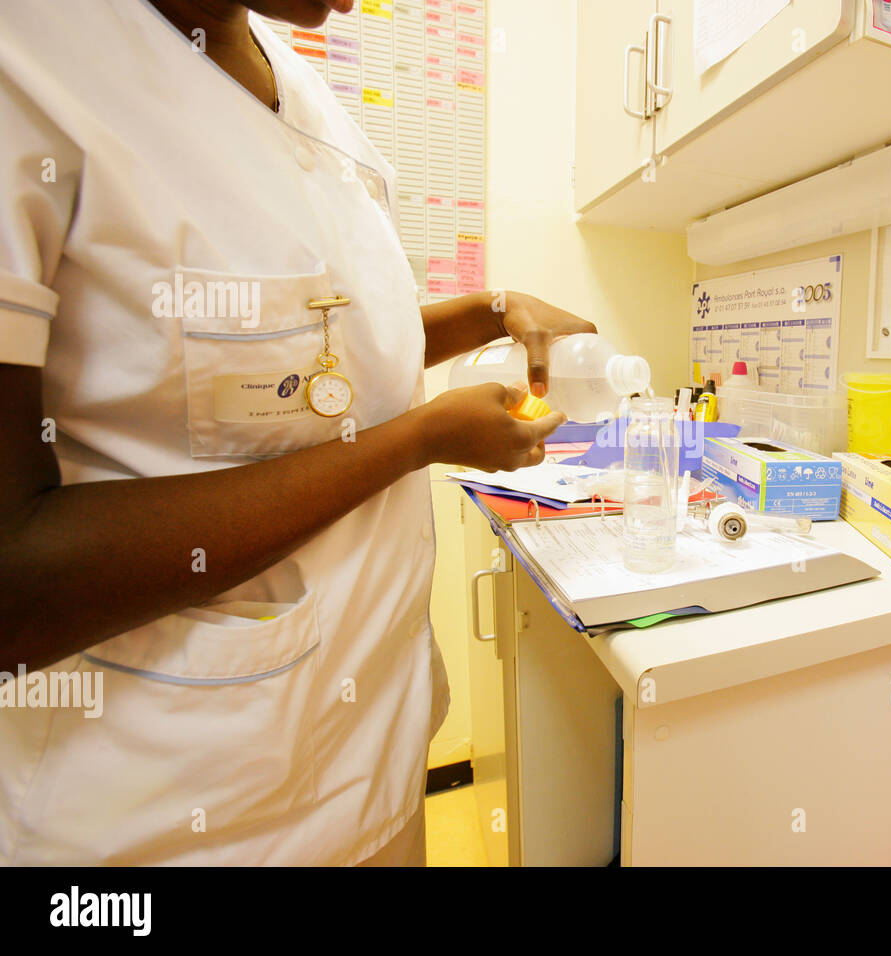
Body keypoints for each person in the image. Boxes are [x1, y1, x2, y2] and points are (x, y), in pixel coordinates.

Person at [0, 0, 592, 865]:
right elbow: (14, 584)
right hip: (171, 811)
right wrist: (419, 439)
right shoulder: (35, 58)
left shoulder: (306, 93)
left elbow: (314, 356)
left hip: (377, 754)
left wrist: (488, 312)